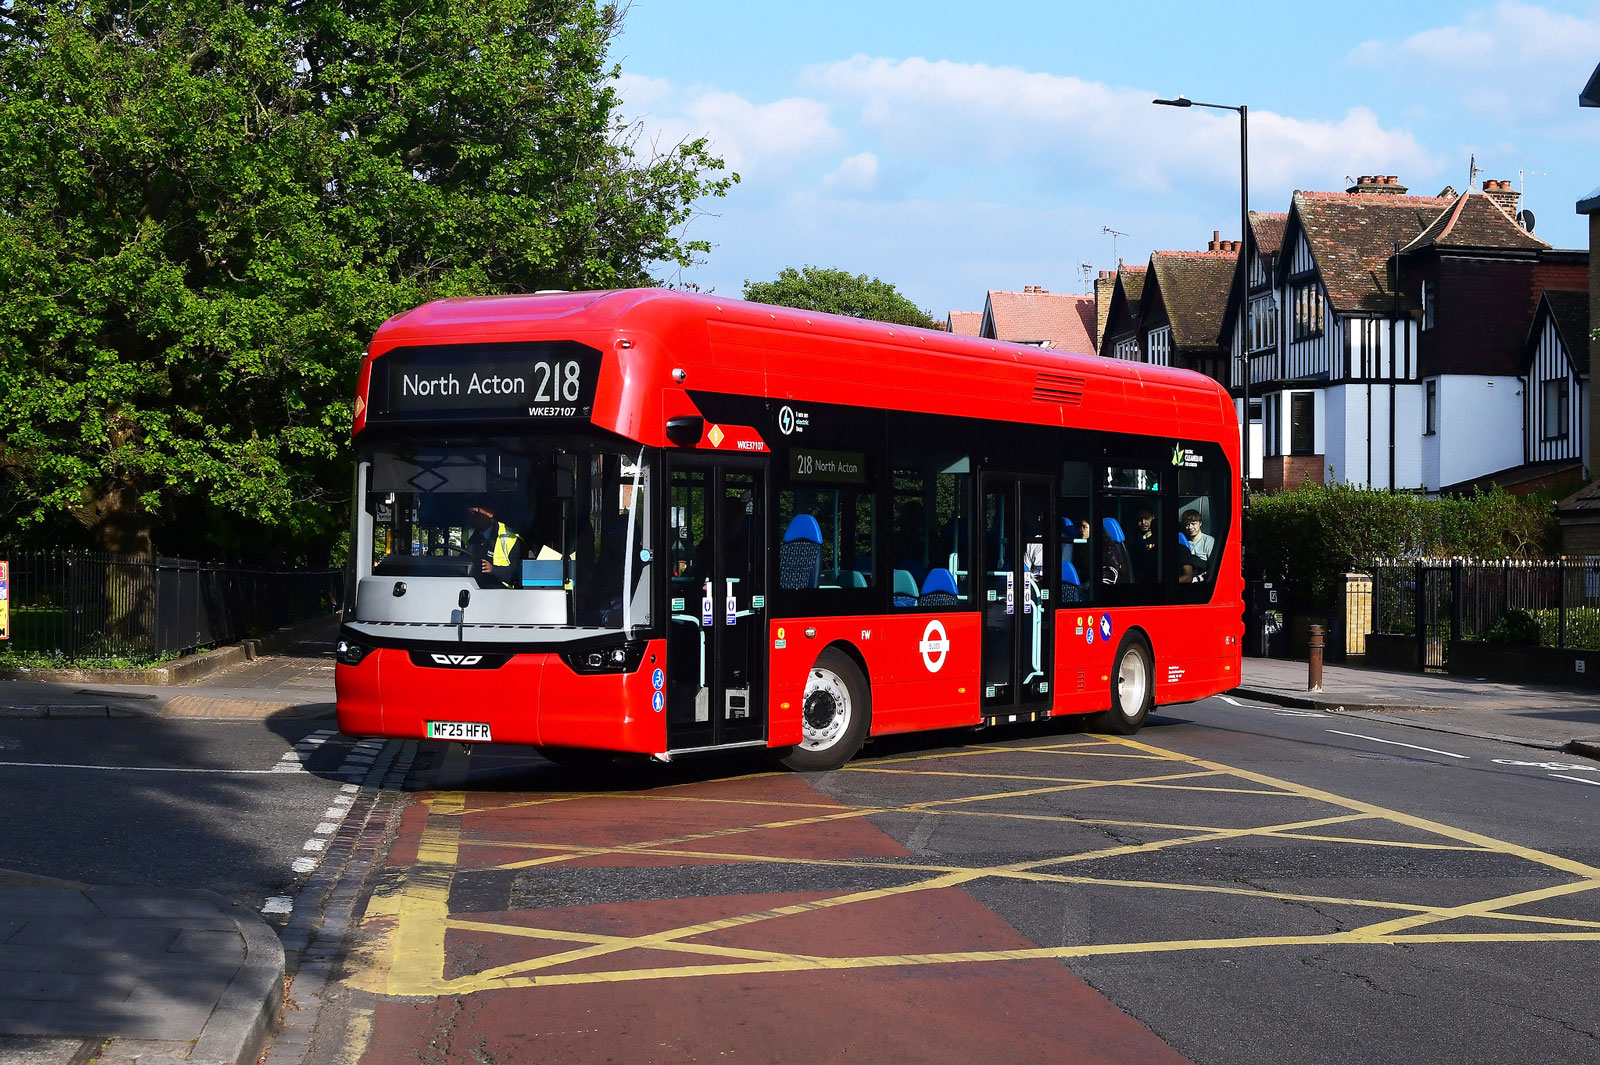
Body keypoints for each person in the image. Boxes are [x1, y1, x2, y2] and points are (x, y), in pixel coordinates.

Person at [465, 502, 526, 589]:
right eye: (469, 514)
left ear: (490, 513)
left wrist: (493, 570)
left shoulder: (510, 538)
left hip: (502, 594)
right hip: (470, 589)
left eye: (476, 513)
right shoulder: (468, 534)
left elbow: (518, 573)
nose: (472, 517)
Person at [1181, 509, 1215, 582]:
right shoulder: (1182, 541)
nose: (1190, 527)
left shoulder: (1208, 541)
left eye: (1193, 523)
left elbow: (1213, 568)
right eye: (1187, 524)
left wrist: (1198, 578)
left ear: (1200, 523)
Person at [1130, 507, 1159, 583]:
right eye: (1140, 519)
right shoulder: (1132, 539)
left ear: (1153, 518)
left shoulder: (1158, 538)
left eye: (1146, 518)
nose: (1143, 522)